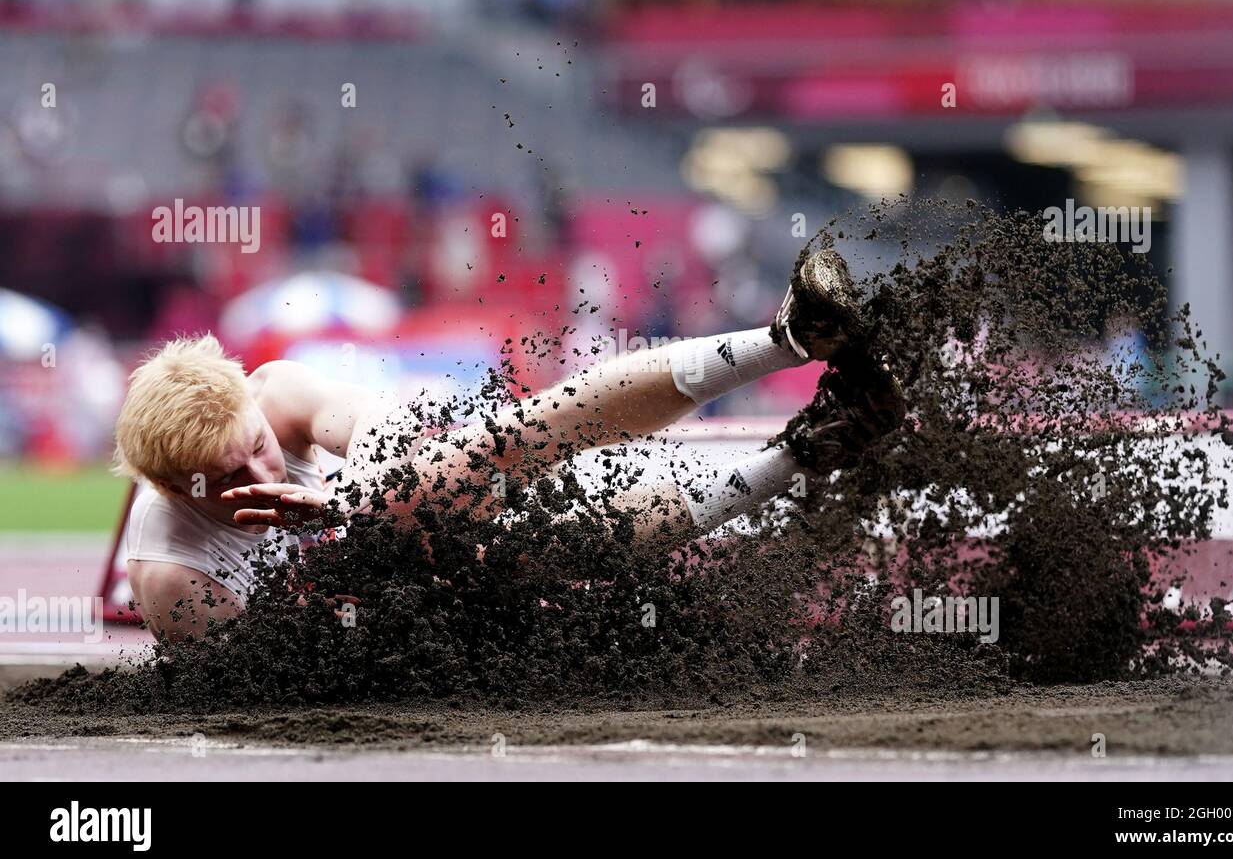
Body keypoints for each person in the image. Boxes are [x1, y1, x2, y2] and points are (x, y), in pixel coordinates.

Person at [113, 249, 904, 640]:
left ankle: (791, 346)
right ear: (180, 491)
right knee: (487, 543)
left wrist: (348, 508)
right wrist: (360, 555)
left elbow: (390, 437)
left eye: (256, 445)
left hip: (436, 532)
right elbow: (294, 679)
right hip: (400, 636)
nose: (263, 470)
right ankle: (802, 450)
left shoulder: (276, 393)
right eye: (229, 475)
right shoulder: (173, 580)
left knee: (467, 466)